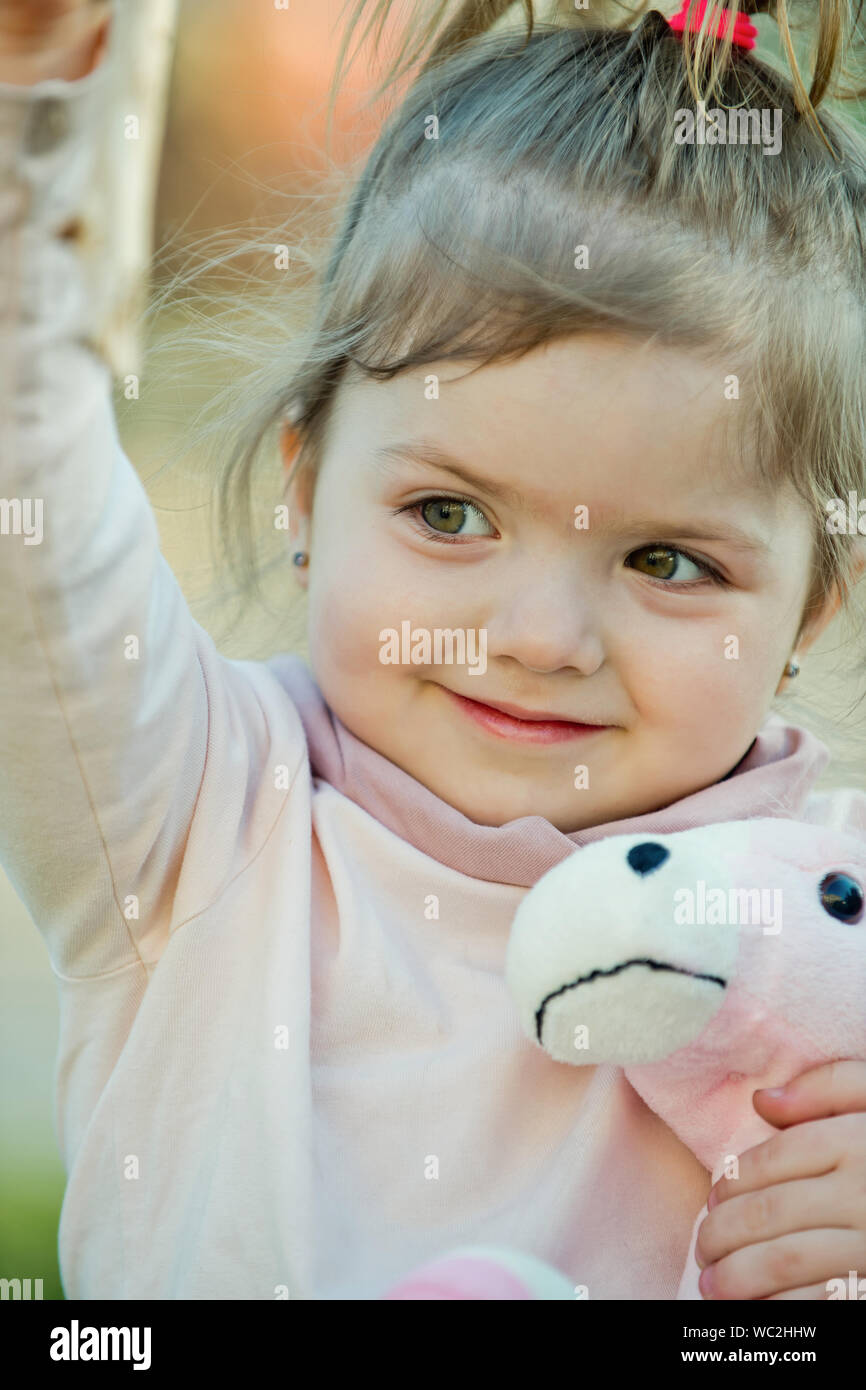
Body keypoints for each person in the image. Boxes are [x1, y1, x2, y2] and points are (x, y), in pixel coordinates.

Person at [1, 0, 865, 1300]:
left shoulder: (826, 938)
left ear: (810, 606)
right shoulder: (188, 822)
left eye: (665, 561)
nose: (538, 638)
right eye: (447, 514)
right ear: (303, 490)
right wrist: (32, 108)